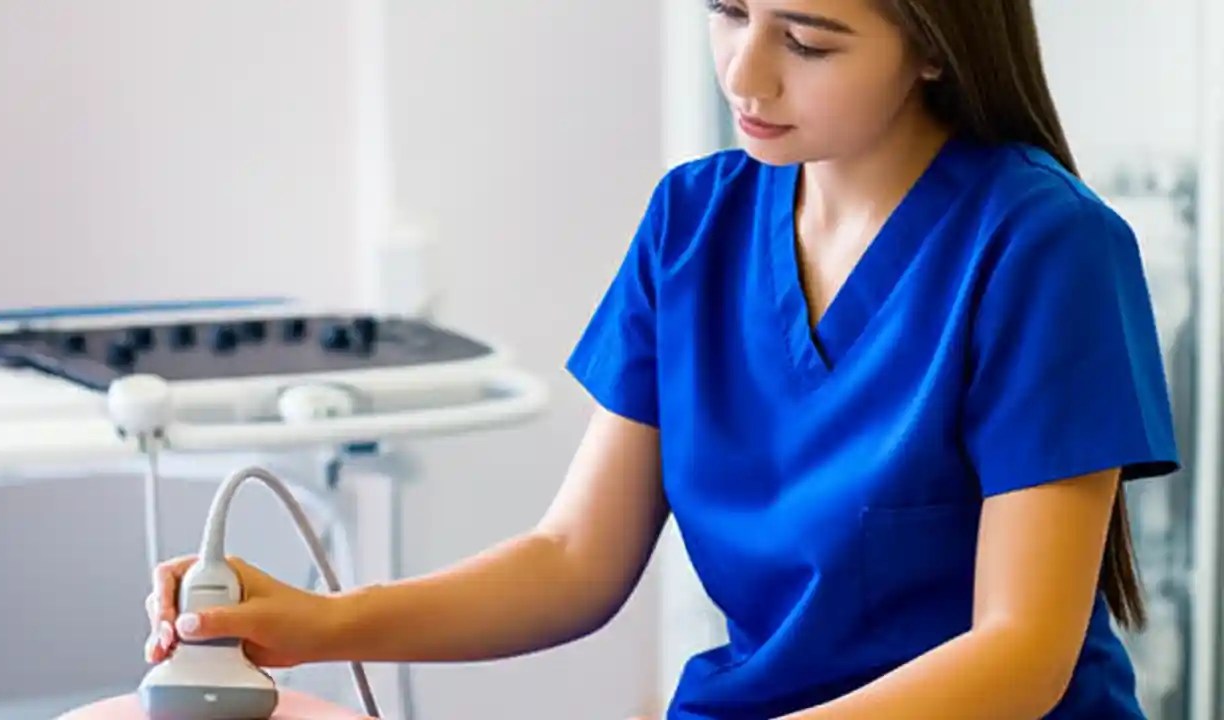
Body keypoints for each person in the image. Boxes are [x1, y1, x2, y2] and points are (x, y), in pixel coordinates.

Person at [145, 1, 1181, 718]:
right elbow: (573, 560)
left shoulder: (1044, 248)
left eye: (806, 40)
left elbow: (1019, 655)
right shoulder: (693, 220)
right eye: (727, 11)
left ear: (933, 48)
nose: (743, 72)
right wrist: (318, 624)